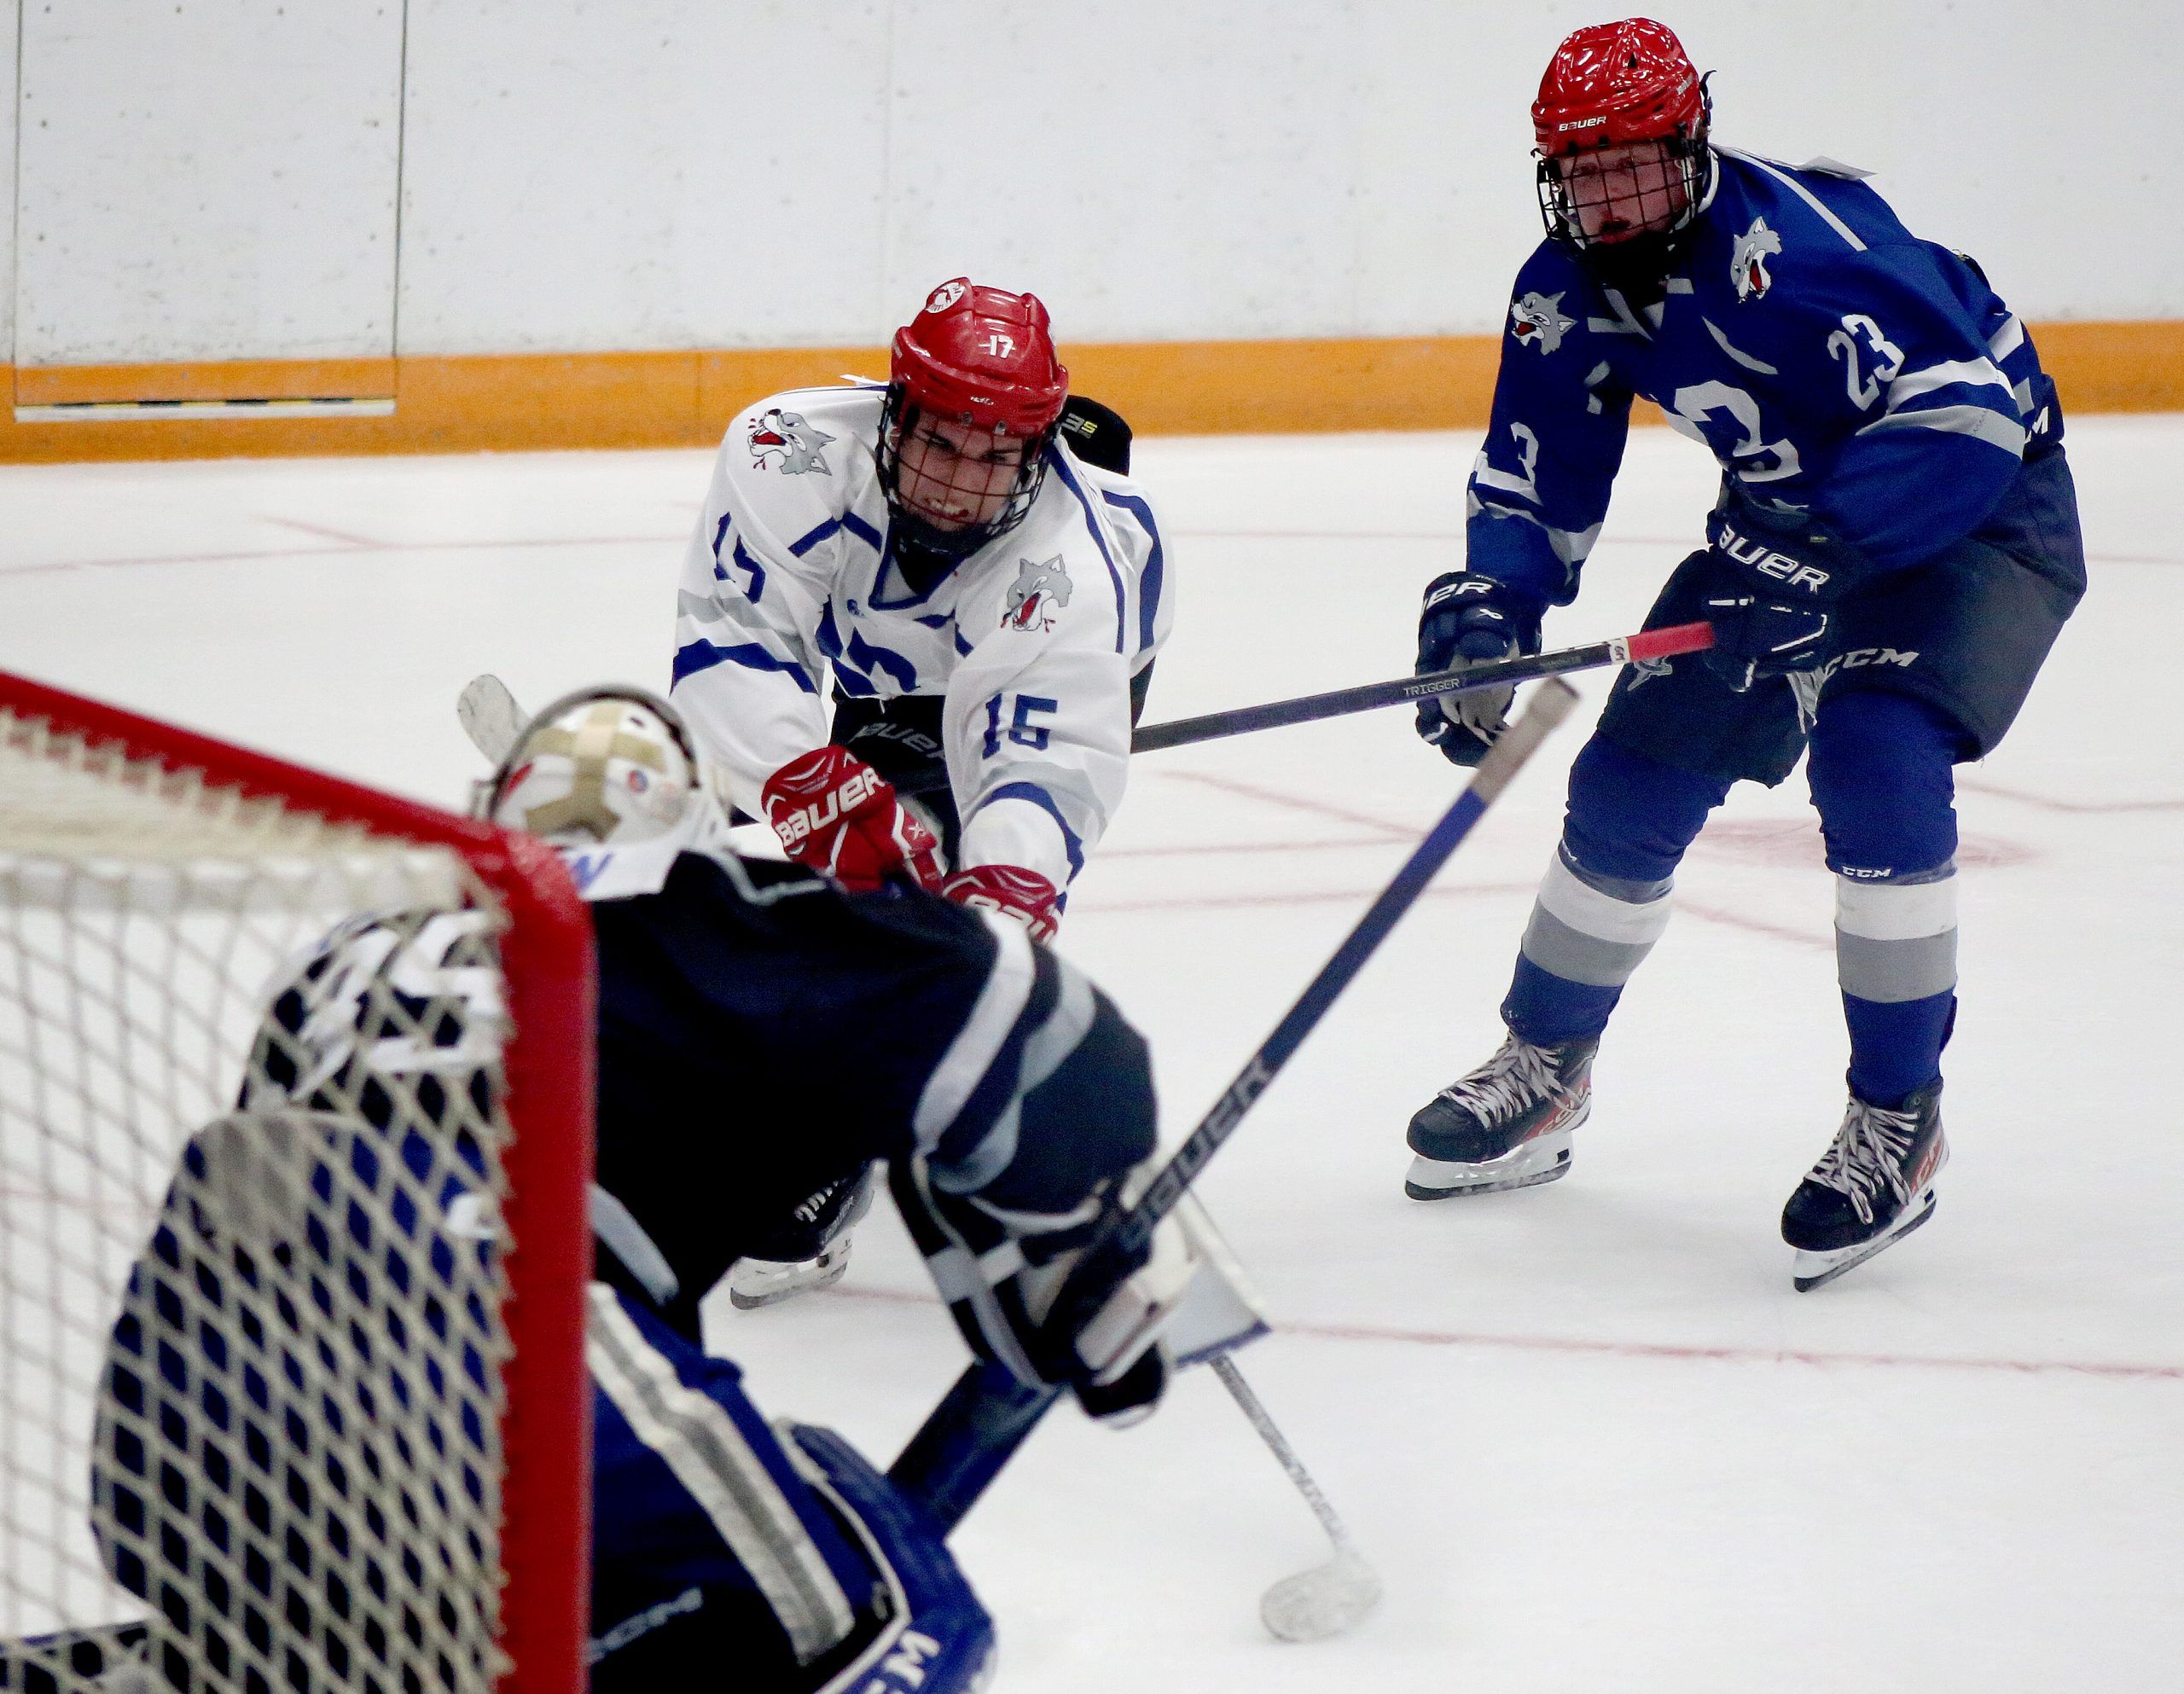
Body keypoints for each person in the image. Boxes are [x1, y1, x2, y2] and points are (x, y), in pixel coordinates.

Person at [89, 687, 1235, 1693]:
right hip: (490, 1331)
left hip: (169, 1411)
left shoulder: (351, 953)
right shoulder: (697, 904)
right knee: (889, 1624)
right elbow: (1033, 1018)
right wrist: (1068, 1248)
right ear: (687, 832)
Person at [1402, 18, 2084, 1290]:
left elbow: (1969, 420)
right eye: (1581, 169)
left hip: (1970, 516)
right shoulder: (1565, 285)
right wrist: (1493, 608)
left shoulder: (1808, 257)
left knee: (1877, 754)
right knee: (1632, 773)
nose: (1609, 197)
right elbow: (1538, 475)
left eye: (1635, 165)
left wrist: (1832, 559)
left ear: (1692, 143)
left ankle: (1900, 1114)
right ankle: (1545, 1067)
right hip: (1785, 526)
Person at [669, 276, 1170, 951]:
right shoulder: (786, 451)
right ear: (895, 414)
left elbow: (1049, 755)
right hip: (872, 672)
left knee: (925, 889)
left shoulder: (1070, 559)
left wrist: (1010, 878)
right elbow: (741, 639)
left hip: (1068, 662)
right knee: (836, 818)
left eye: (996, 457)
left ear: (1035, 452)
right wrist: (803, 785)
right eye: (940, 445)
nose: (960, 489)